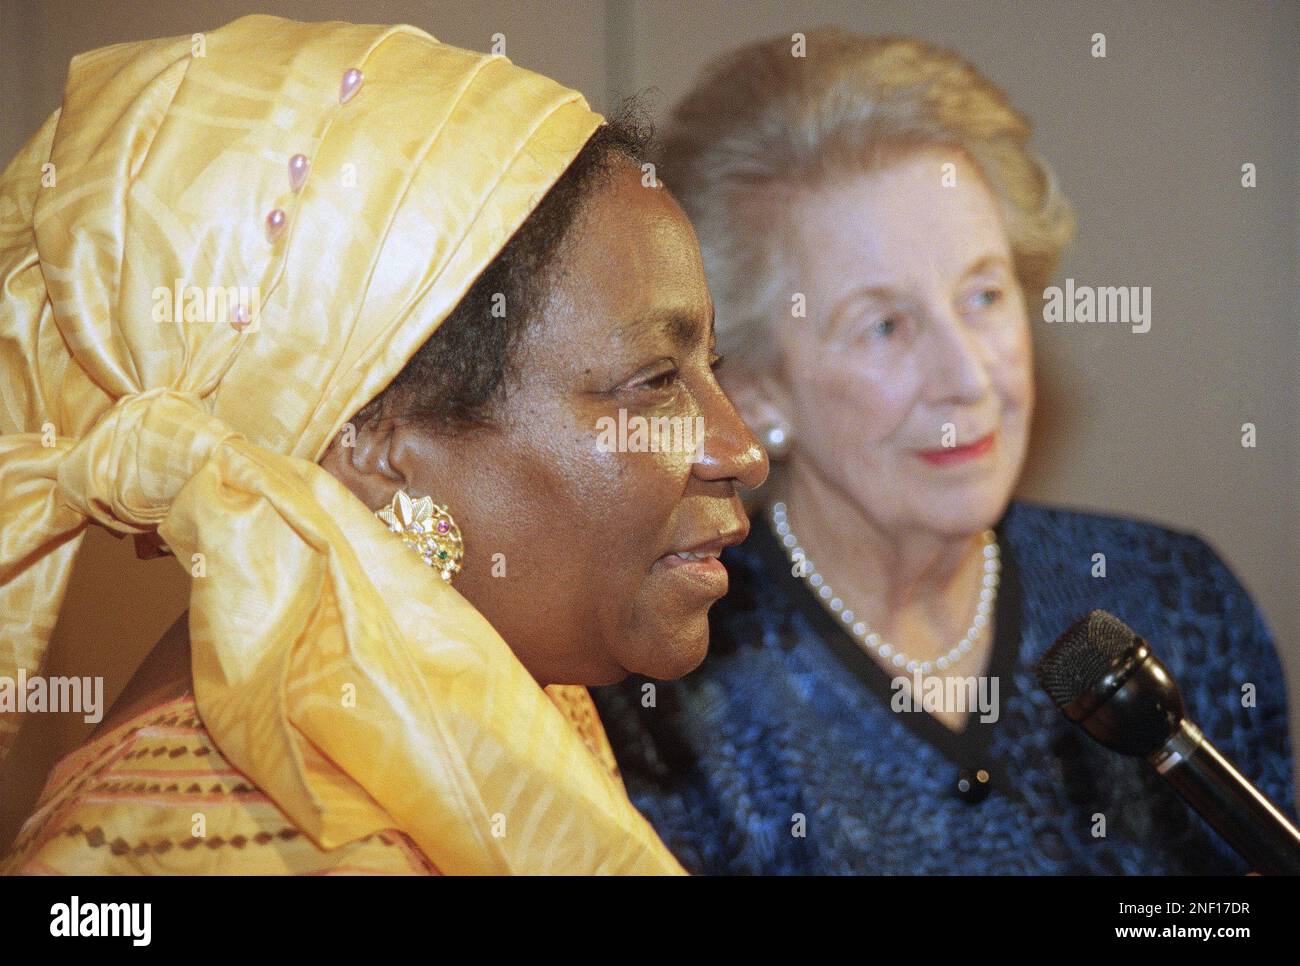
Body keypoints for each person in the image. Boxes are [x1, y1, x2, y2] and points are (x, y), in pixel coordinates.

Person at [0, 14, 765, 875]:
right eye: (656, 381)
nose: (743, 451)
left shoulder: (482, 701)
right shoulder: (182, 852)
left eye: (714, 367)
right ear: (380, 453)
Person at [593, 29, 1294, 874]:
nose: (968, 376)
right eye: (884, 326)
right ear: (757, 392)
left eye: (984, 296)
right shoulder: (665, 689)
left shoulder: (1176, 599)